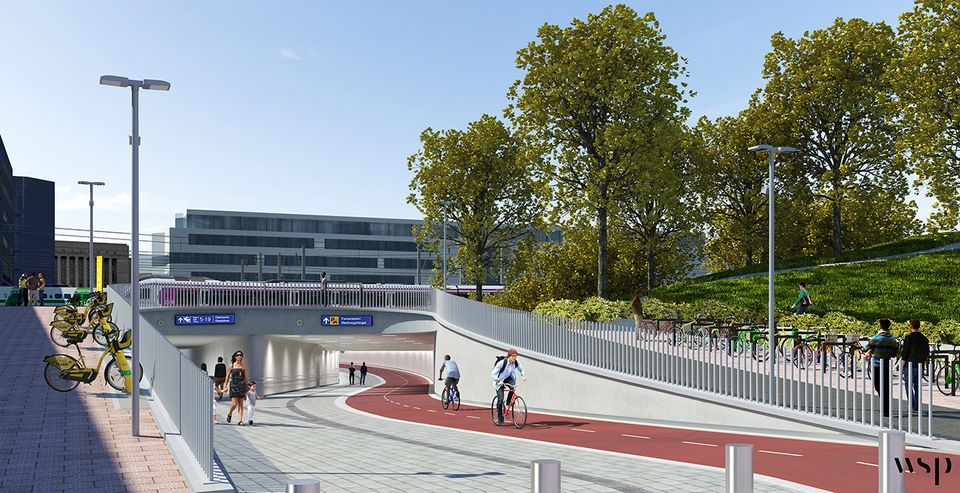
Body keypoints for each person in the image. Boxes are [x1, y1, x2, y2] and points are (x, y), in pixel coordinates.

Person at [864, 319, 899, 417]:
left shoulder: (876, 338)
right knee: (886, 387)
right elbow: (894, 354)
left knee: (877, 385)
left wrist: (870, 350)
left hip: (876, 365)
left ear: (880, 325)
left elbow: (865, 347)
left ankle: (883, 405)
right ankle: (886, 410)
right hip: (887, 365)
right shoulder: (893, 340)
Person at [900, 319, 929, 412]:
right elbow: (926, 352)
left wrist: (902, 364)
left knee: (908, 385)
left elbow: (905, 352)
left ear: (910, 327)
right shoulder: (924, 338)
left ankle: (913, 404)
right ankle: (917, 405)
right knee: (917, 385)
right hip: (920, 363)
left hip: (910, 363)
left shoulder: (908, 338)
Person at [491, 348, 526, 425]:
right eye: (513, 356)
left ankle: (507, 404)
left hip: (509, 378)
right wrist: (498, 381)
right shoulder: (501, 363)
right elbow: (493, 374)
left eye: (516, 356)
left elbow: (521, 369)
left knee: (512, 388)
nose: (515, 358)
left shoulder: (516, 362)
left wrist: (523, 375)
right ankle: (500, 418)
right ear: (509, 356)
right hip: (500, 380)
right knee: (500, 399)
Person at [225, 350, 250, 425]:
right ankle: (230, 413)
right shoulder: (232, 366)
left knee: (241, 403)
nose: (239, 356)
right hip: (234, 385)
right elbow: (227, 376)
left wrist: (247, 386)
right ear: (235, 357)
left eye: (241, 355)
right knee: (234, 404)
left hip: (241, 385)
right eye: (238, 355)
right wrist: (225, 386)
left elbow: (245, 377)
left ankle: (240, 420)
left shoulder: (243, 366)